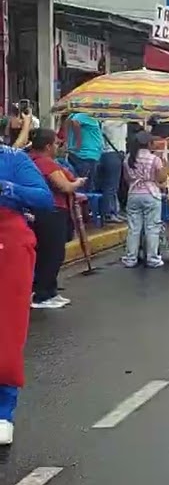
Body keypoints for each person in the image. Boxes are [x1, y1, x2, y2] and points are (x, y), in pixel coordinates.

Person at [0, 141, 54, 444]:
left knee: (6, 329)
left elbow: (43, 199)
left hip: (7, 247)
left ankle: (3, 411)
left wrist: (6, 189)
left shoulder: (12, 159)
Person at [27, 129, 86, 308]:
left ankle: (49, 291)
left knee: (48, 253)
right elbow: (65, 186)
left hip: (44, 211)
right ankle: (42, 294)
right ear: (47, 146)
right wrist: (78, 183)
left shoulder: (31, 160)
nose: (58, 146)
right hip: (52, 210)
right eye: (56, 143)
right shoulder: (46, 163)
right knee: (52, 254)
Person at [122, 131, 169, 269]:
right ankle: (153, 258)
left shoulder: (128, 158)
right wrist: (165, 165)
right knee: (152, 228)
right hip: (151, 194)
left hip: (133, 194)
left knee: (133, 228)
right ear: (149, 144)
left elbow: (127, 179)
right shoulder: (154, 159)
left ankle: (130, 258)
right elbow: (161, 179)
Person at [64, 111, 104, 196]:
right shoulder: (84, 115)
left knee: (81, 187)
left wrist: (68, 142)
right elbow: (75, 121)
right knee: (85, 188)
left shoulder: (73, 115)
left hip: (82, 155)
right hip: (86, 155)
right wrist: (78, 143)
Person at [98, 120, 128, 224]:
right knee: (111, 186)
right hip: (114, 154)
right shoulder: (115, 122)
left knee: (109, 185)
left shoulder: (105, 123)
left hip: (107, 154)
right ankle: (109, 213)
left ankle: (112, 211)